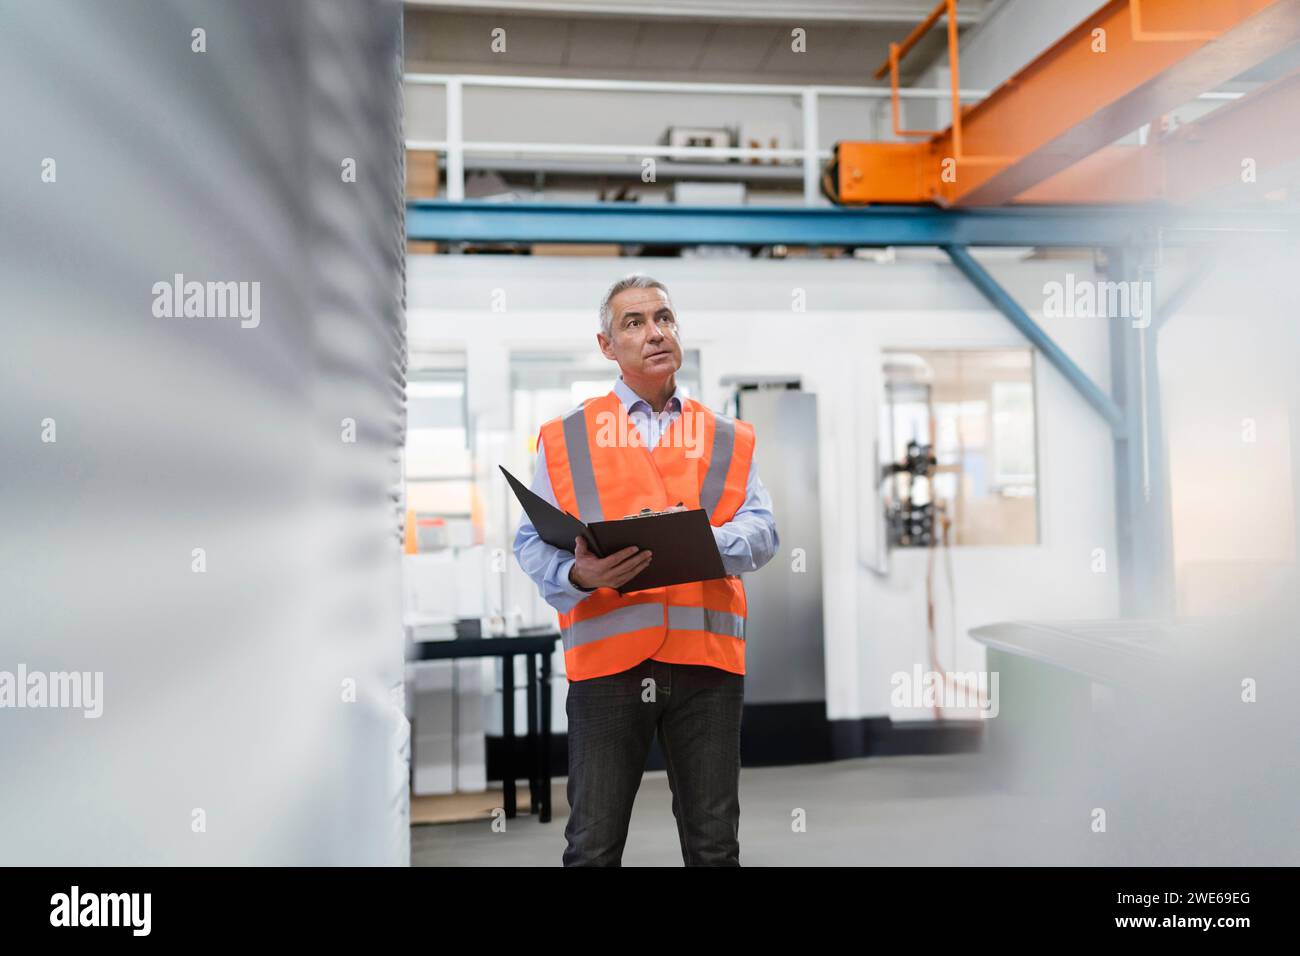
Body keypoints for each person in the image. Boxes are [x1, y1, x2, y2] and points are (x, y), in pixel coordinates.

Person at [512, 273, 779, 866]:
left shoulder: (727, 436)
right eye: (634, 323)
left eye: (663, 318)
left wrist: (703, 542)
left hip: (706, 665)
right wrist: (581, 578)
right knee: (593, 846)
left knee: (714, 845)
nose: (655, 332)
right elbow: (531, 542)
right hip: (608, 667)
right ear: (608, 347)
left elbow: (764, 532)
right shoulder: (566, 437)